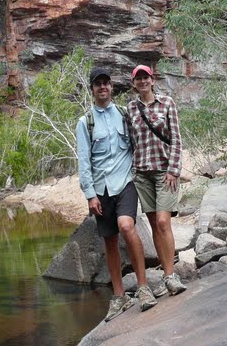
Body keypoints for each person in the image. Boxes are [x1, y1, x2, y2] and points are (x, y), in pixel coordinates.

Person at [77, 67, 158, 322]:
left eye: (106, 83)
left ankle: (143, 288)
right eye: (98, 84)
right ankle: (119, 296)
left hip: (125, 183)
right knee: (110, 241)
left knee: (126, 226)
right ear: (92, 89)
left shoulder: (125, 114)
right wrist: (90, 195)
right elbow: (84, 162)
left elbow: (141, 141)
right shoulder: (85, 123)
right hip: (100, 190)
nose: (102, 87)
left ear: (112, 87)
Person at [127, 64, 187, 298]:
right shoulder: (131, 109)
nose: (143, 81)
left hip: (164, 172)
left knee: (163, 222)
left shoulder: (167, 103)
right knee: (154, 224)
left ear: (152, 80)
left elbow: (176, 139)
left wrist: (174, 170)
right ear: (134, 83)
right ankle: (166, 274)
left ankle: (171, 276)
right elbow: (130, 142)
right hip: (142, 174)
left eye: (146, 78)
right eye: (138, 79)